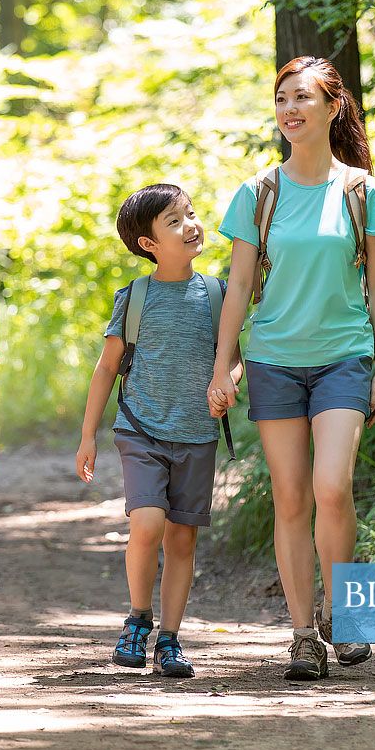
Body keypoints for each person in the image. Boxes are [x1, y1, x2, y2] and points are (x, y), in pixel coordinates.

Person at [207, 56, 375, 681]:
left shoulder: (362, 191)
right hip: (273, 362)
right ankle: (303, 634)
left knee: (332, 488)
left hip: (344, 357)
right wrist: (223, 366)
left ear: (333, 106)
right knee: (290, 498)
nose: (289, 109)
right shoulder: (257, 194)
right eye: (282, 98)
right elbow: (236, 288)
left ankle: (344, 614)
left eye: (303, 98)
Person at [76, 183, 241, 678]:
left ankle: (170, 638)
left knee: (183, 541)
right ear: (148, 243)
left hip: (196, 435)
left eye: (190, 214)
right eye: (174, 221)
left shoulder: (217, 294)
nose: (190, 225)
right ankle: (137, 620)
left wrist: (227, 383)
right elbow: (107, 369)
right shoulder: (135, 298)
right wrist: (88, 436)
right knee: (147, 524)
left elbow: (231, 359)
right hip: (141, 429)